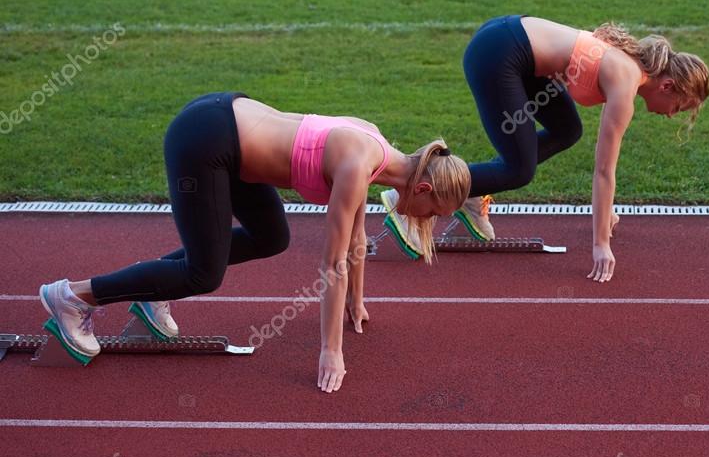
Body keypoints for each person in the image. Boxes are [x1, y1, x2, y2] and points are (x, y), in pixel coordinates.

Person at [38, 92, 470, 393]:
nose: (427, 222)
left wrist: (357, 303)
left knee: (272, 236)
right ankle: (74, 296)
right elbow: (333, 264)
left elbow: (357, 237)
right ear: (424, 191)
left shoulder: (375, 146)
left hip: (229, 124)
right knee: (203, 273)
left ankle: (155, 290)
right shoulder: (358, 165)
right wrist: (330, 351)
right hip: (206, 141)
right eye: (434, 215)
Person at [384, 15, 709, 283]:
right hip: (499, 54)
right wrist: (600, 244)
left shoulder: (628, 70)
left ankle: (467, 189)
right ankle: (408, 193)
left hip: (511, 47)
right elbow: (603, 171)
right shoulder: (625, 83)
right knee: (518, 169)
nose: (671, 114)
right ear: (667, 85)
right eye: (678, 107)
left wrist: (606, 211)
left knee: (568, 130)